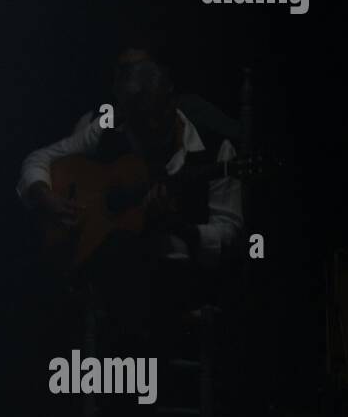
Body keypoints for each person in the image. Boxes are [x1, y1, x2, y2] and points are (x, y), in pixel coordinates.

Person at [18, 60, 243, 351]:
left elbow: (230, 232)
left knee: (125, 254)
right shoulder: (108, 130)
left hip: (181, 277)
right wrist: (45, 196)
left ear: (171, 101)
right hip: (110, 275)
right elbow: (38, 160)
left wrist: (180, 228)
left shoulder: (217, 151)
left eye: (156, 118)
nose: (150, 129)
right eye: (139, 123)